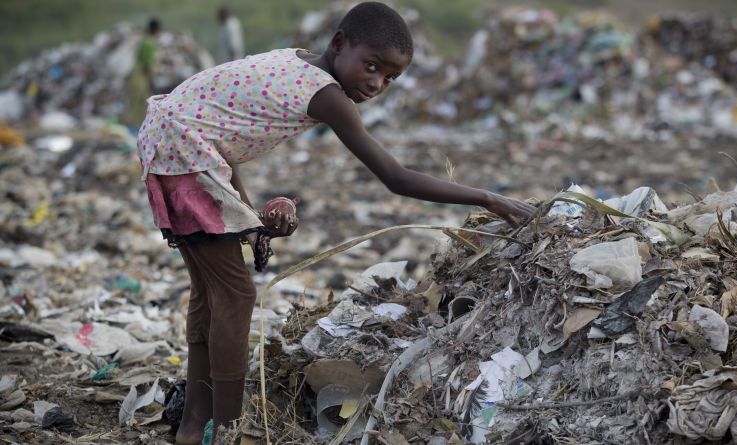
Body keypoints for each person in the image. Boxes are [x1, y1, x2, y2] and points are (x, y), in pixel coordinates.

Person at [135, 2, 535, 443]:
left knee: (211, 295)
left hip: (171, 138)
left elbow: (220, 138)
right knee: (235, 294)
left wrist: (247, 217)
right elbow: (396, 177)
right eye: (371, 66)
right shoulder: (327, 96)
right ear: (339, 44)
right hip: (184, 150)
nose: (376, 83)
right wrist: (488, 198)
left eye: (390, 77)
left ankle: (195, 427)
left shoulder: (295, 59)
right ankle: (229, 430)